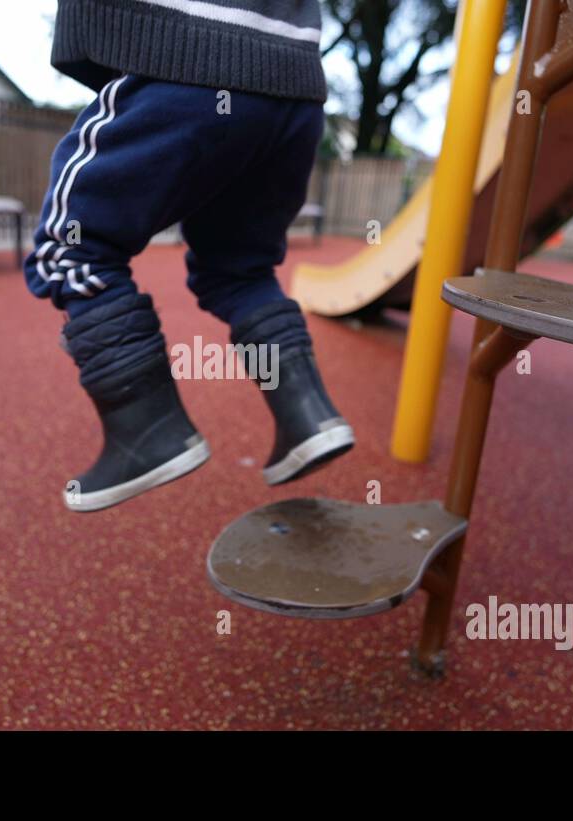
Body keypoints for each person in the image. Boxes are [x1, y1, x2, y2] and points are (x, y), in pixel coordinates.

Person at [28, 0, 353, 512]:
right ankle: (308, 414)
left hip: (185, 57)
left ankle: (148, 431)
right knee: (240, 269)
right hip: (295, 90)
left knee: (71, 247)